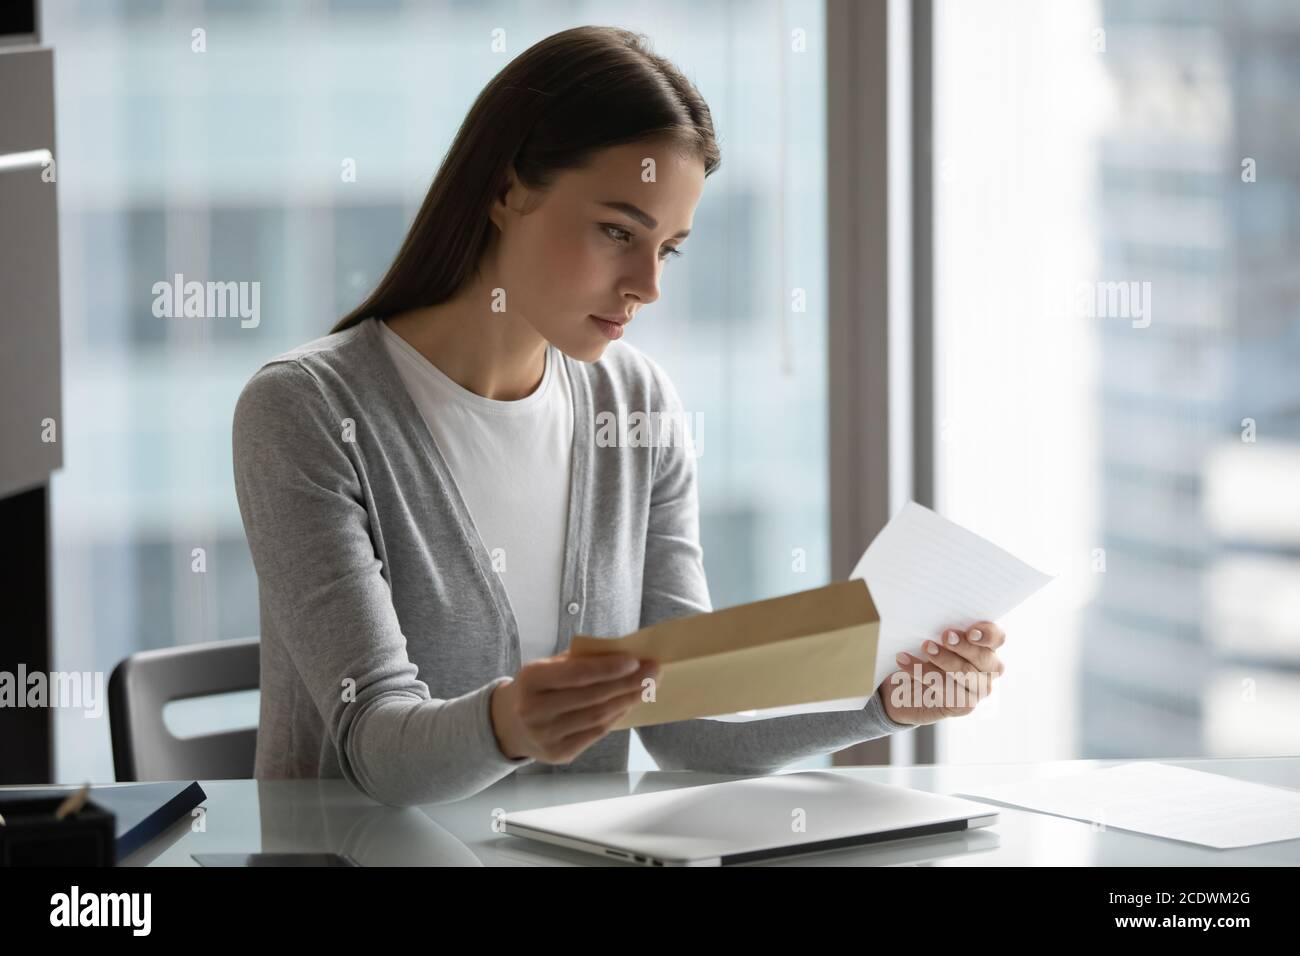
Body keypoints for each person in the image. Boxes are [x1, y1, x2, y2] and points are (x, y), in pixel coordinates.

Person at [232, 25, 1006, 808]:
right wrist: (509, 724)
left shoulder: (636, 408)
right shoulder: (306, 410)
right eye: (617, 232)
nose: (646, 285)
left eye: (667, 249)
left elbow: (685, 729)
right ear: (507, 192)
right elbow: (376, 747)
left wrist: (880, 700)